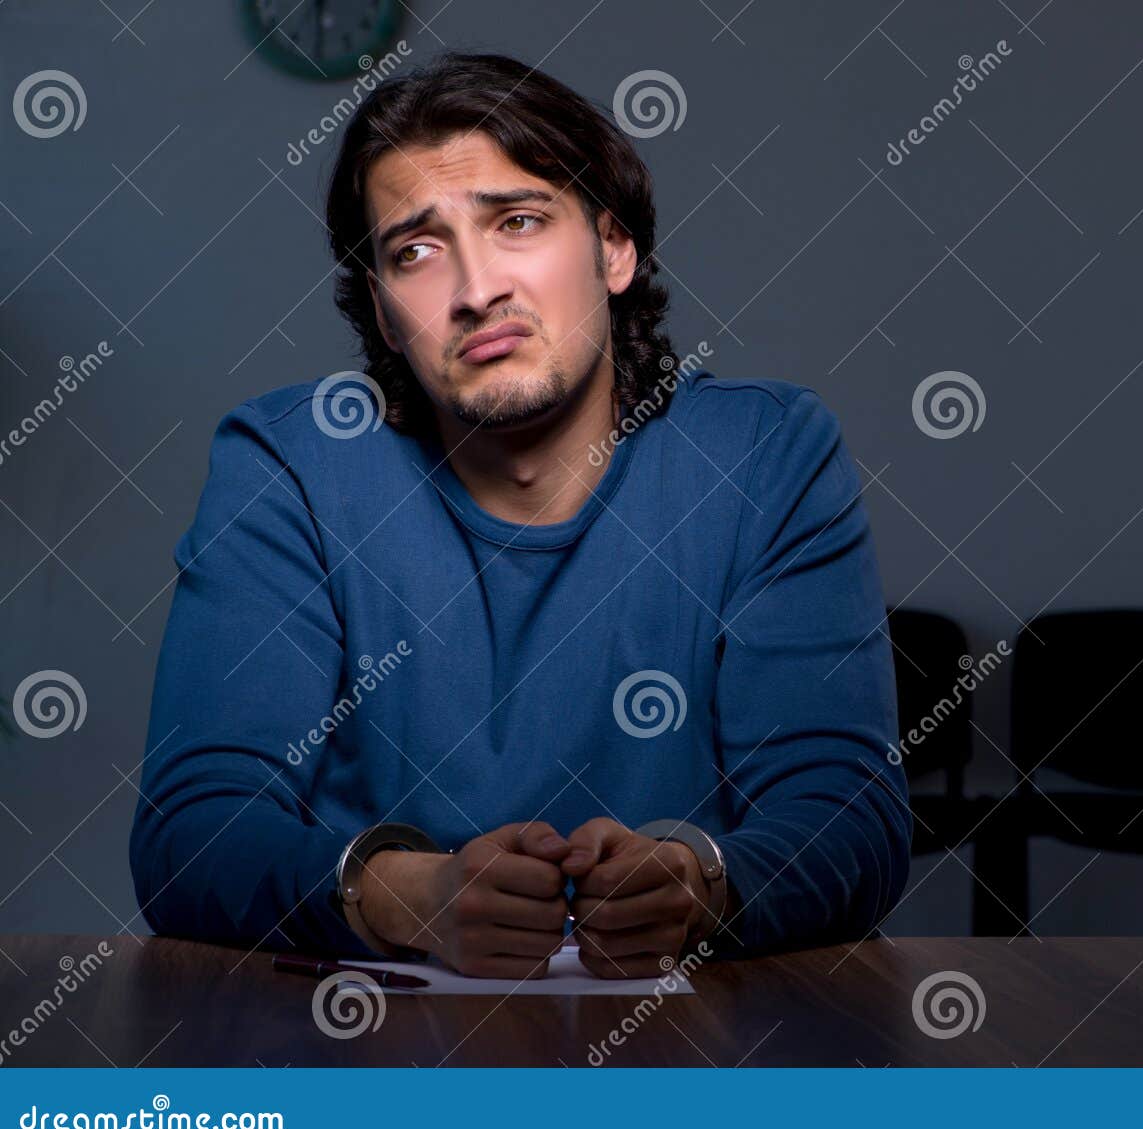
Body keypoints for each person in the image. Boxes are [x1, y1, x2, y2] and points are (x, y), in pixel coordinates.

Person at [129, 53, 909, 980]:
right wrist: (407, 895)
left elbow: (848, 814)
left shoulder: (762, 454)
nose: (475, 289)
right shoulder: (293, 464)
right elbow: (193, 830)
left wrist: (706, 882)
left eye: (519, 221)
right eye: (414, 252)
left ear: (612, 249)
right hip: (371, 1063)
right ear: (383, 315)